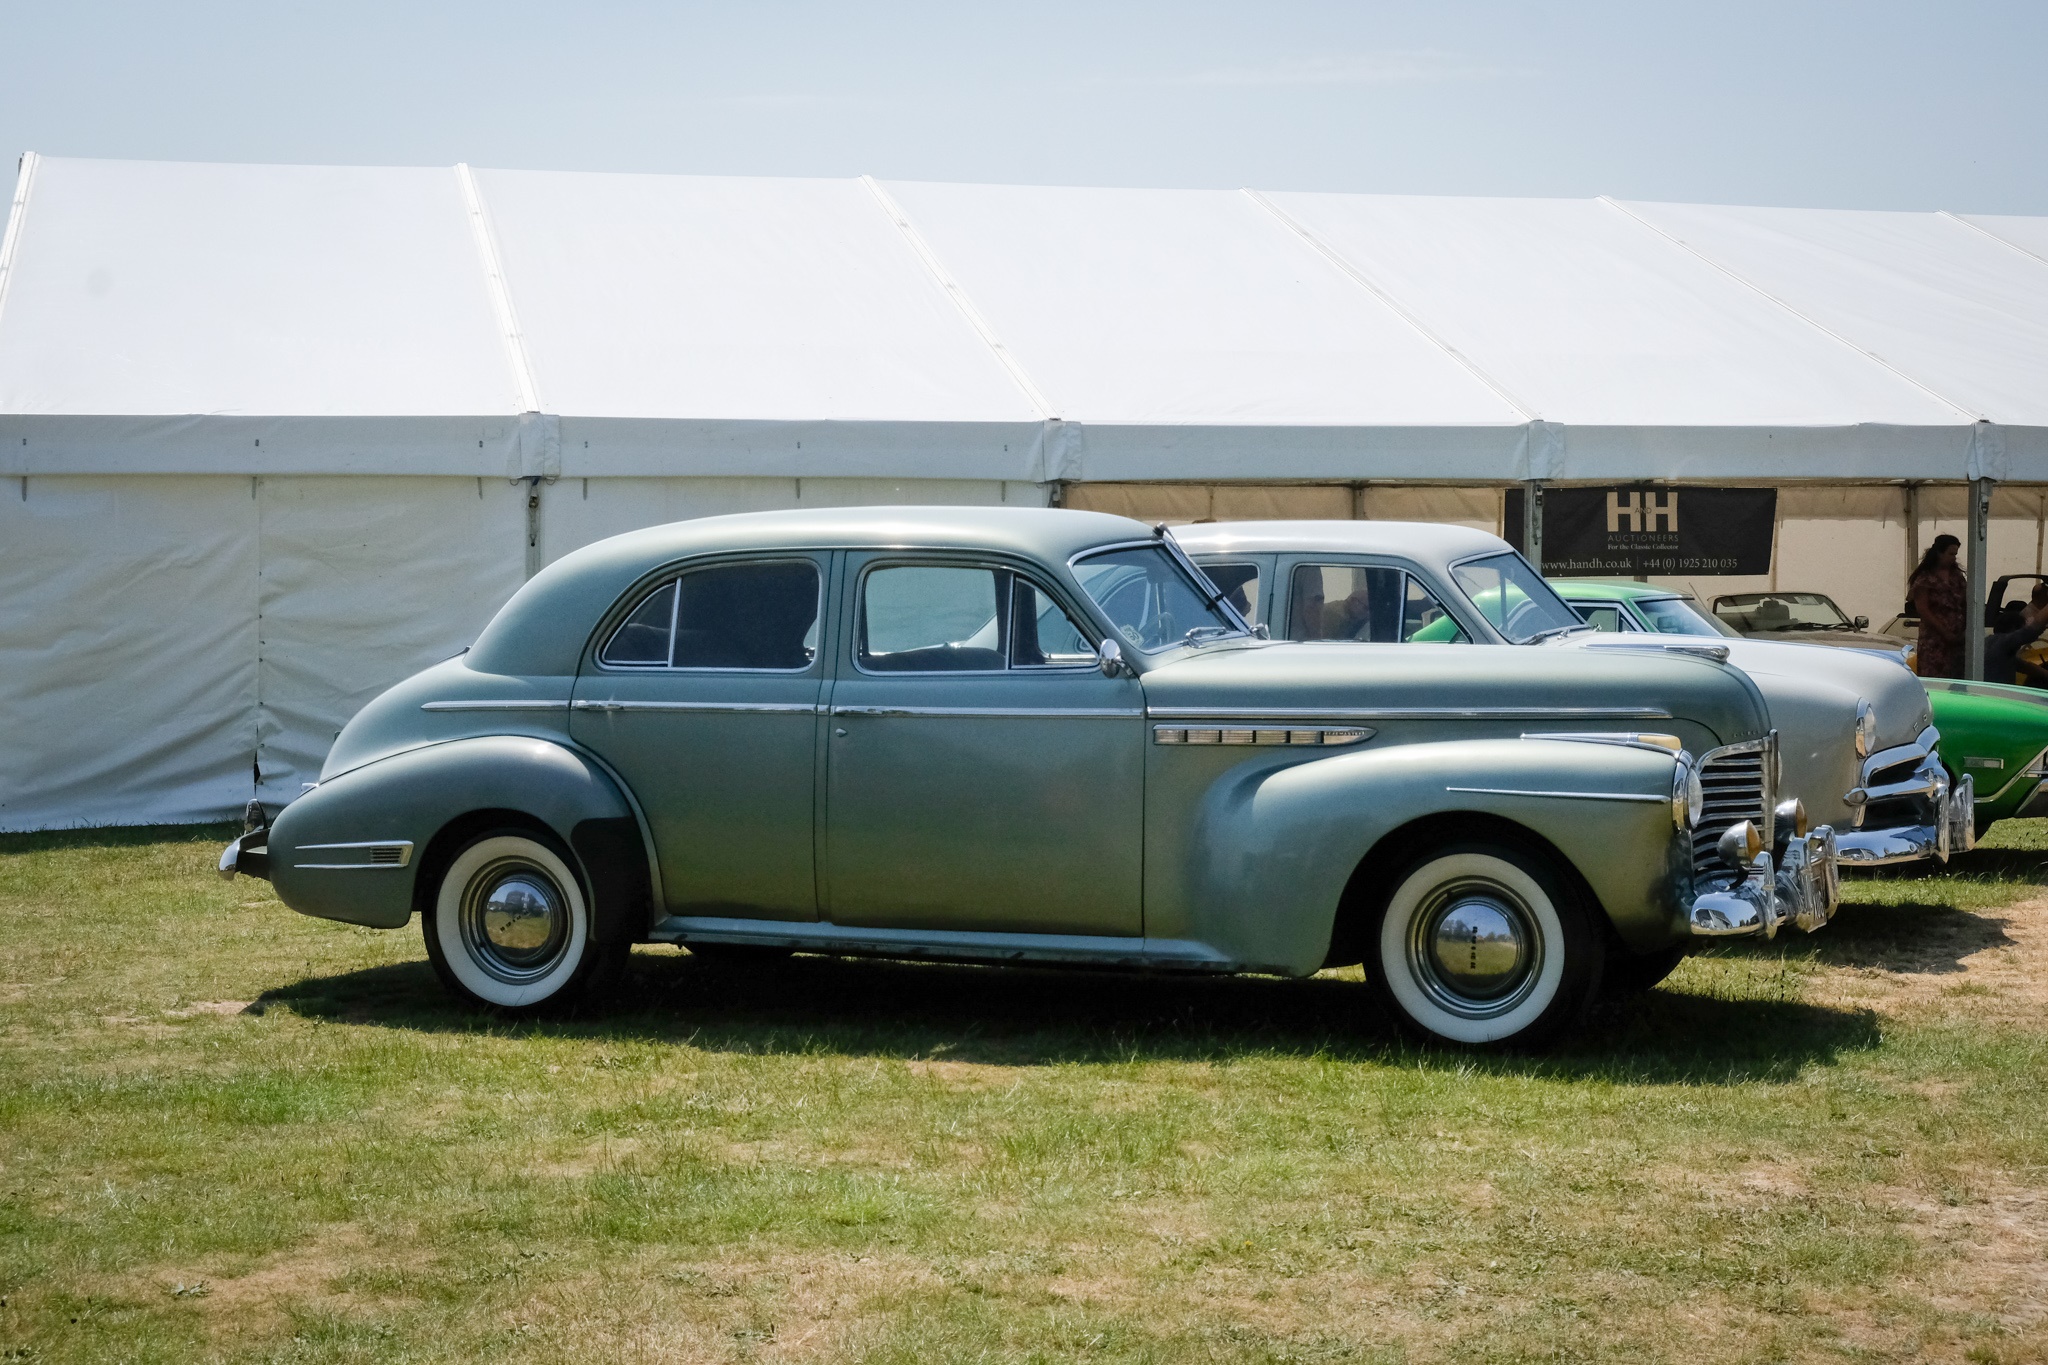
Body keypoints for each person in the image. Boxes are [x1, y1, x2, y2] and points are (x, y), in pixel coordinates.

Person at [1908, 534, 1967, 679]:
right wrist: (1945, 632)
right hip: (1934, 640)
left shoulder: (1957, 576)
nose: (1953, 558)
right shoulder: (1925, 578)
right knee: (1935, 677)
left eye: (1955, 554)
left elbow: (1966, 601)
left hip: (1958, 640)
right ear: (1939, 553)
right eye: (1950, 554)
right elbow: (1923, 609)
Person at [1987, 585, 2048, 688]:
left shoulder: (1993, 646)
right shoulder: (2003, 644)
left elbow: (2026, 667)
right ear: (2013, 630)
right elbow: (2032, 629)